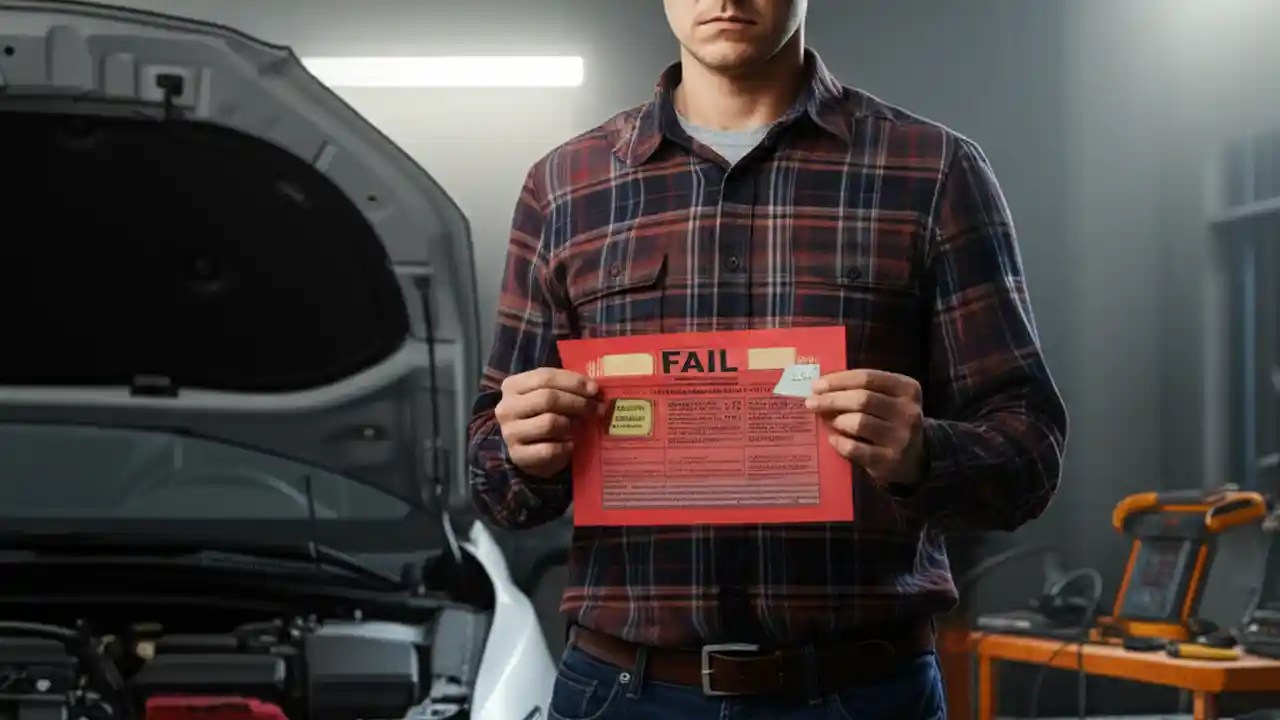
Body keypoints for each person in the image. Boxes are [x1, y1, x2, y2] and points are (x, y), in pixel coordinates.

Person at [467, 0, 1068, 716]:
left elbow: (1029, 451)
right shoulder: (566, 187)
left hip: (860, 693)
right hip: (623, 693)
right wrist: (524, 452)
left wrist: (924, 454)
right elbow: (491, 476)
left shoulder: (934, 172)